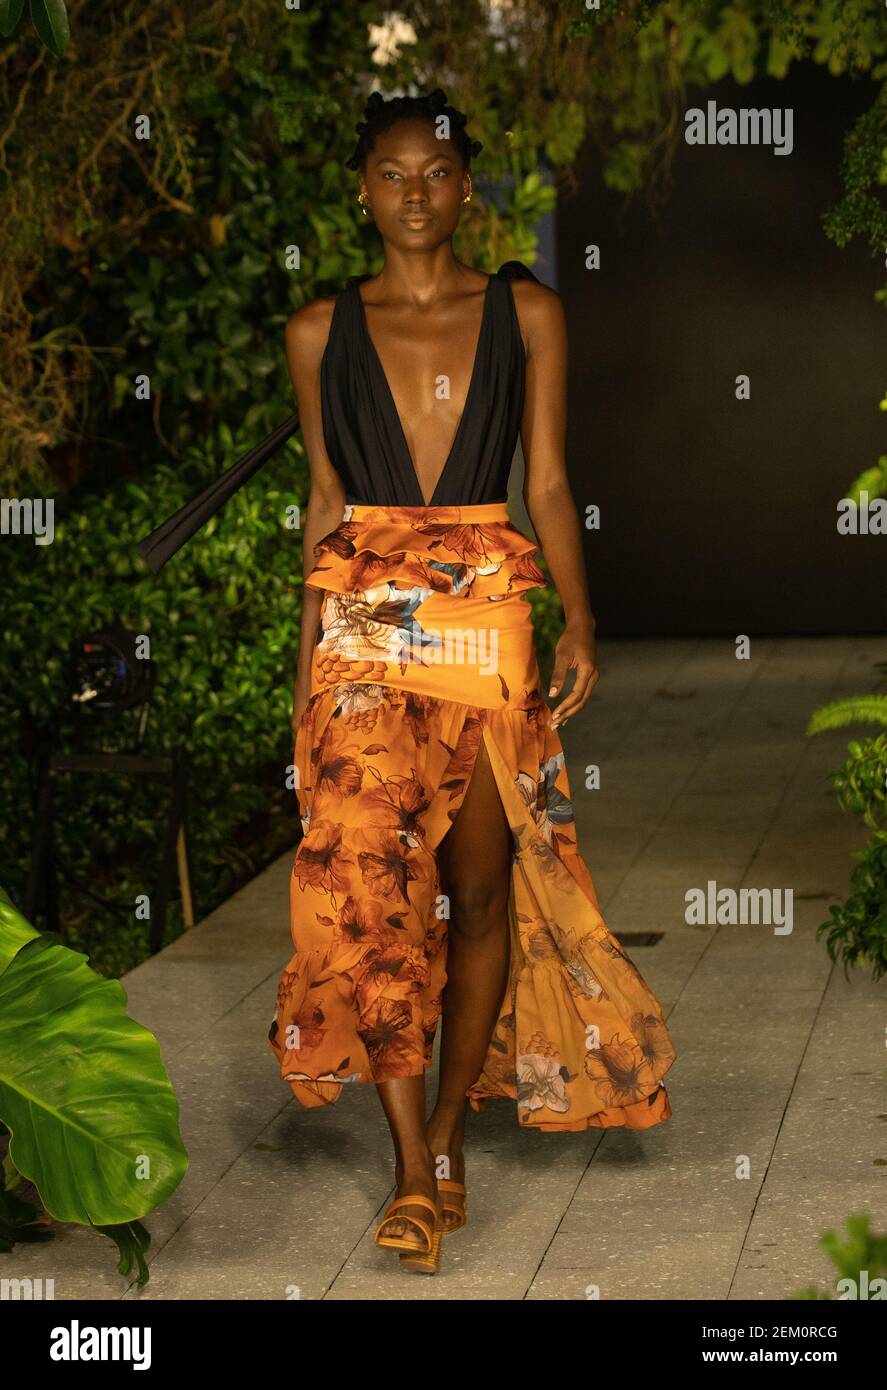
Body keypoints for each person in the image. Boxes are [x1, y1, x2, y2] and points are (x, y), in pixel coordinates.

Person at [266, 88, 676, 1275]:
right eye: (390, 173)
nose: (412, 193)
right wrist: (304, 677)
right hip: (364, 628)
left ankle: (448, 1135)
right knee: (362, 892)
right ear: (361, 189)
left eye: (434, 172)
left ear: (464, 184)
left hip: (485, 620)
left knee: (479, 890)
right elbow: (327, 506)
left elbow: (547, 479)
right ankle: (406, 1171)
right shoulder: (315, 330)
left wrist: (580, 617)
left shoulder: (526, 311)